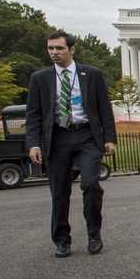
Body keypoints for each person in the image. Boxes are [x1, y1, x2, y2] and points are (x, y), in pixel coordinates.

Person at [25, 30, 117, 258]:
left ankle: (94, 234)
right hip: (58, 138)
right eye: (51, 48)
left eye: (60, 48)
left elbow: (105, 109)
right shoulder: (40, 78)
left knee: (91, 184)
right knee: (59, 192)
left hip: (87, 136)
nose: (54, 53)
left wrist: (110, 138)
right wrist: (34, 143)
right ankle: (62, 240)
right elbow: (34, 114)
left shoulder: (91, 74)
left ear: (72, 49)